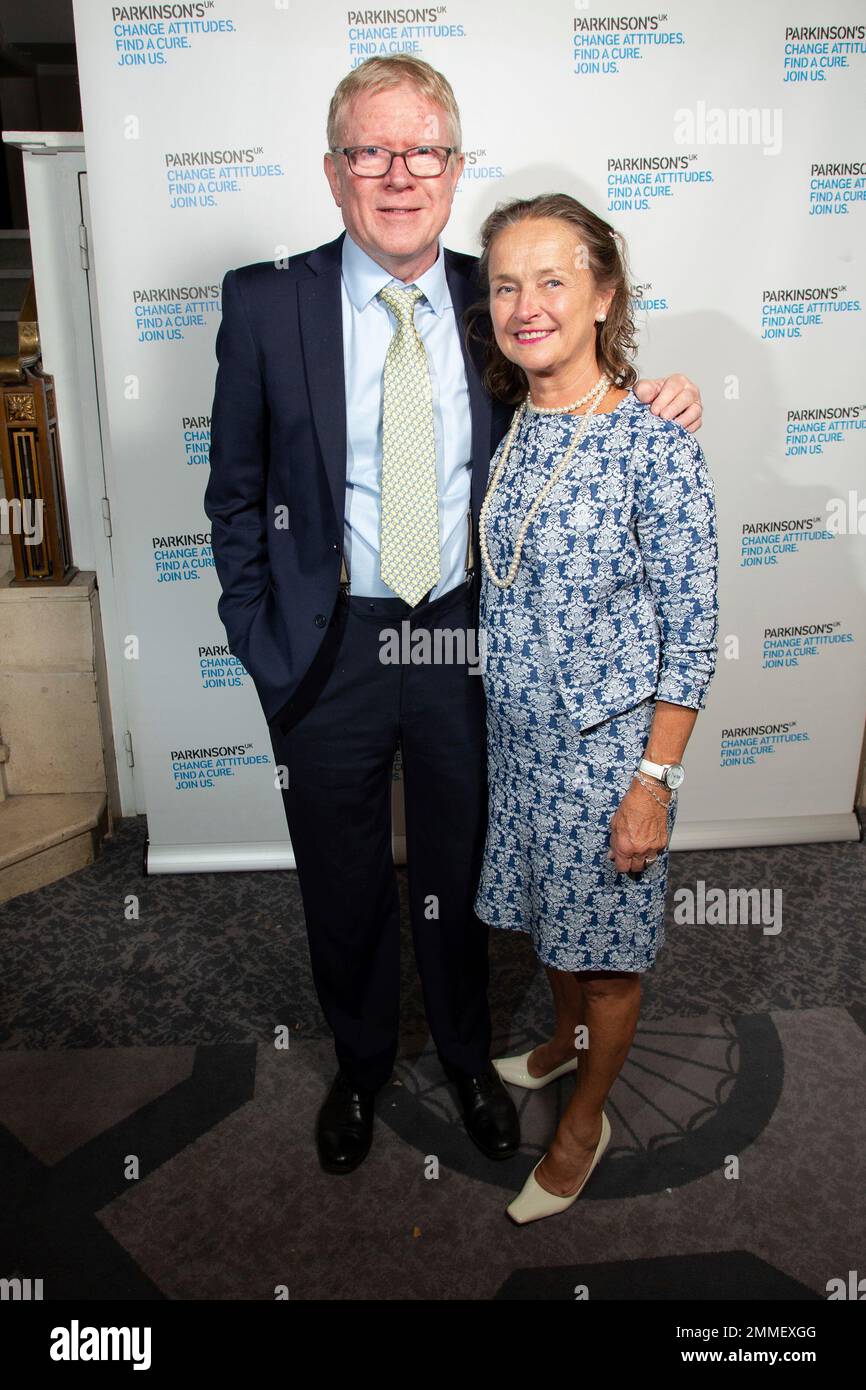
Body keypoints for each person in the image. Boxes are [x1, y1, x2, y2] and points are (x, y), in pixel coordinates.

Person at [203, 55, 704, 1177]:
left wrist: (667, 394)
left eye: (421, 151)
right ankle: (361, 1061)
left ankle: (471, 1058)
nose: (396, 175)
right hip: (325, 645)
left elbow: (582, 381)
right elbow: (232, 492)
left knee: (459, 867)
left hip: (466, 646)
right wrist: (259, 634)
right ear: (333, 171)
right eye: (369, 152)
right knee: (339, 878)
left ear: (453, 166)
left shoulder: (499, 294)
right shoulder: (264, 299)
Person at [468, 193, 719, 1223]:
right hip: (519, 742)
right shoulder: (515, 417)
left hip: (608, 756)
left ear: (603, 292)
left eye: (553, 279)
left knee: (605, 955)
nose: (526, 305)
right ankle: (562, 1041)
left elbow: (691, 634)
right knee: (552, 930)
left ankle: (585, 1120)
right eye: (504, 284)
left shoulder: (653, 441)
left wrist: (651, 783)